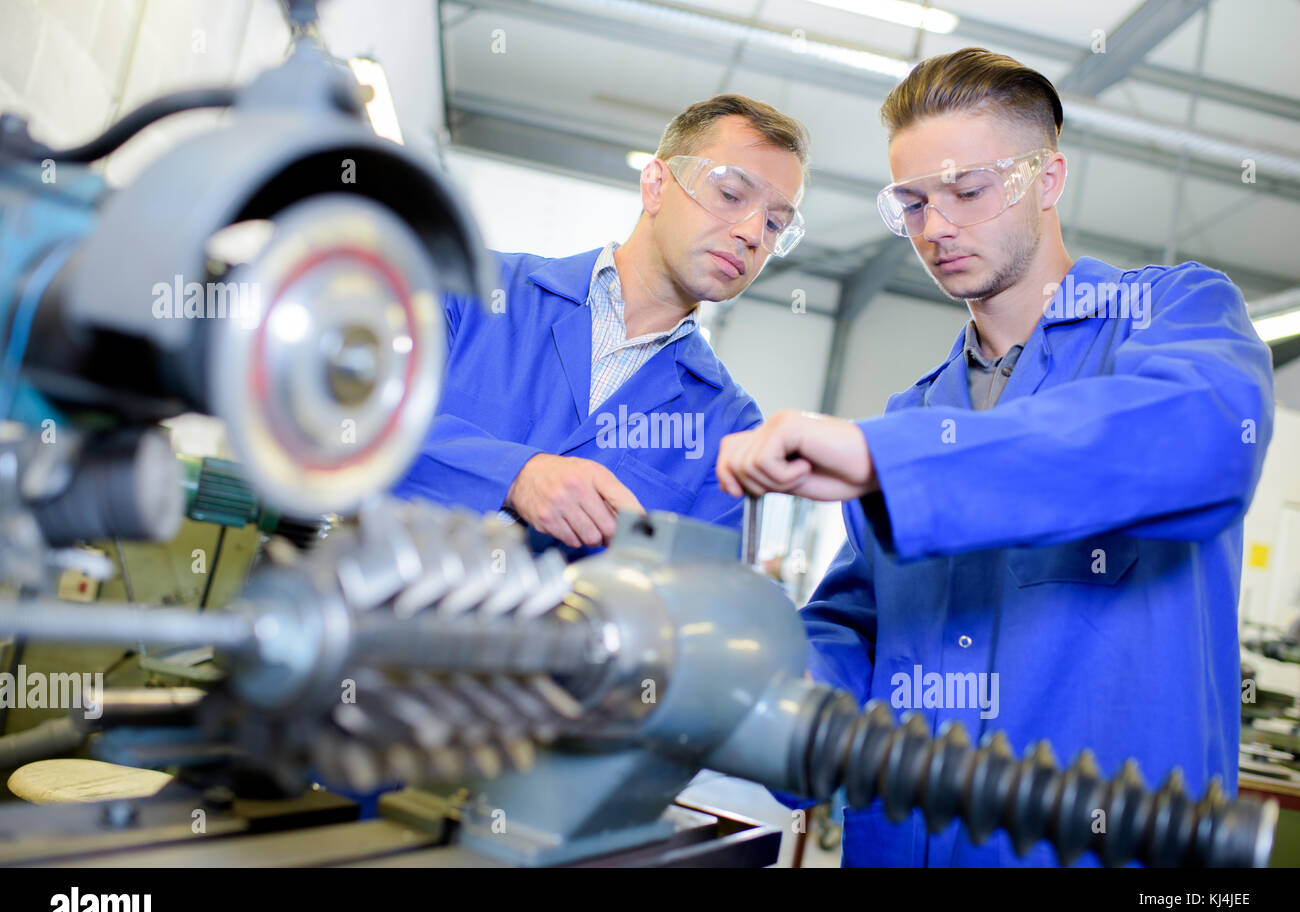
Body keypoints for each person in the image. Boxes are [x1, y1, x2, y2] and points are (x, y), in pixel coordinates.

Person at [716, 48, 1275, 867]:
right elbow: (859, 628)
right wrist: (749, 692)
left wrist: (890, 460)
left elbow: (1201, 442)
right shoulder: (914, 414)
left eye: (967, 191)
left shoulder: (1174, 318)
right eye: (911, 202)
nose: (935, 227)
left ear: (1046, 180)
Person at [394, 95, 809, 553]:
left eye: (774, 224)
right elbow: (359, 428)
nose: (752, 234)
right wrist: (515, 476)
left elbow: (701, 598)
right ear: (655, 185)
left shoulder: (731, 429)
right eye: (730, 195)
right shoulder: (472, 290)